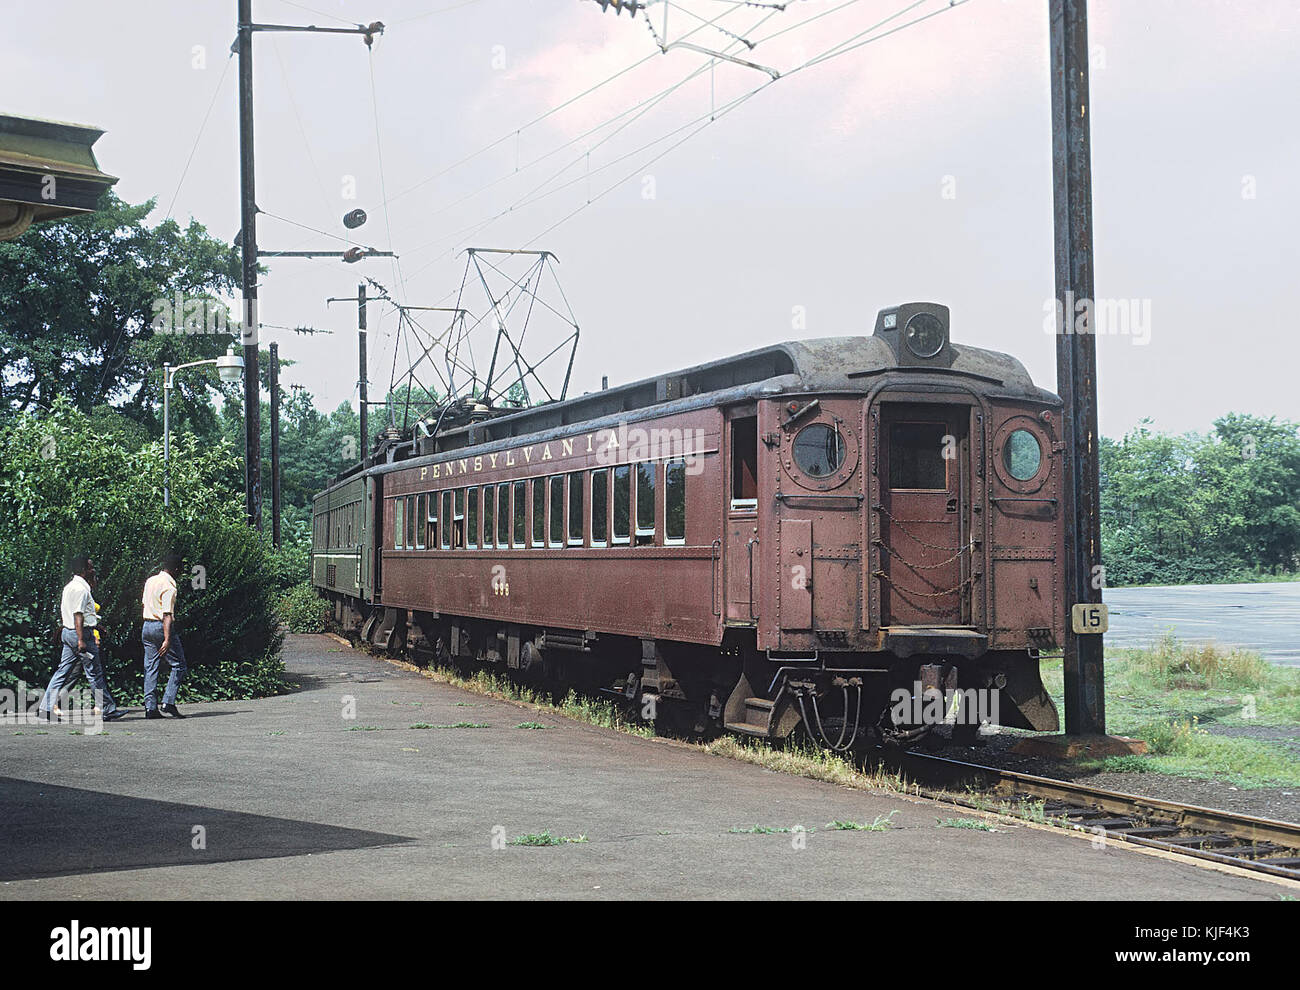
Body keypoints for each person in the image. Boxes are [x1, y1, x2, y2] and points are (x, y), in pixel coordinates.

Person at [39, 554, 123, 722]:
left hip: (68, 633)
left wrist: (95, 626)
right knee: (94, 673)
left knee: (62, 671)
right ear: (84, 570)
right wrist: (81, 640)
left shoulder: (70, 587)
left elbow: (76, 614)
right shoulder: (81, 589)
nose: (93, 570)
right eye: (91, 567)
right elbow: (78, 615)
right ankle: (107, 708)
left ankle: (45, 707)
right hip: (81, 634)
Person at [141, 554, 188, 719]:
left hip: (146, 625)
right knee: (179, 665)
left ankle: (150, 708)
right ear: (175, 569)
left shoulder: (151, 580)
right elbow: (167, 615)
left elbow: (145, 603)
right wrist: (167, 639)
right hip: (161, 627)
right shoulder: (169, 586)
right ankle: (168, 701)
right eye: (180, 569)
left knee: (151, 666)